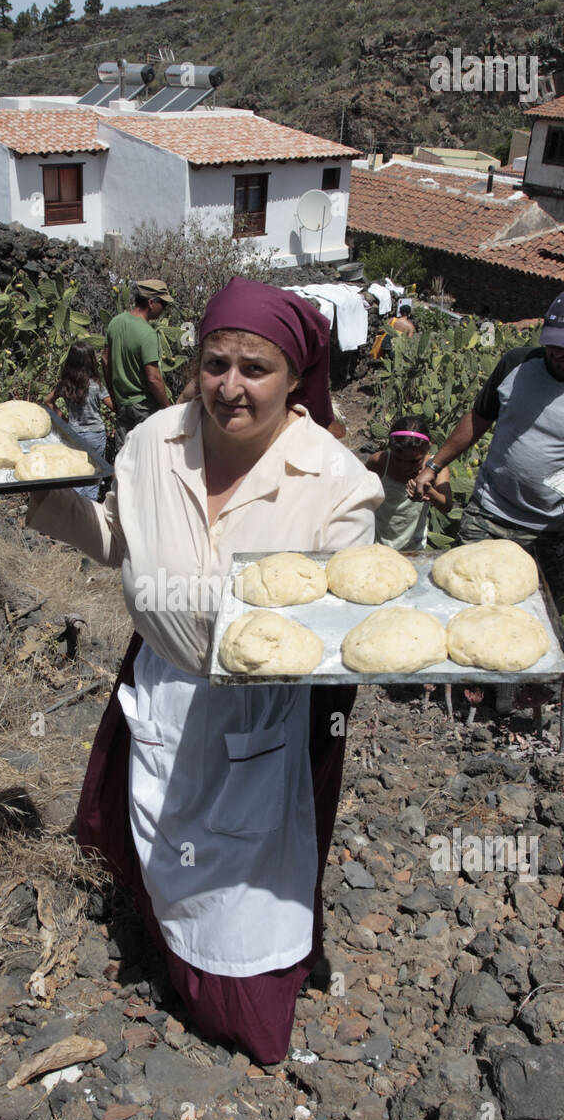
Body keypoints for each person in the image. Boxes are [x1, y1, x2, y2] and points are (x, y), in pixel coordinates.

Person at [25, 276, 383, 1063]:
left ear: (294, 378)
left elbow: (343, 610)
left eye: (255, 369)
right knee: (165, 841)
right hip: (164, 680)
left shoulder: (335, 483)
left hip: (261, 710)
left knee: (246, 875)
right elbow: (121, 540)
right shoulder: (153, 443)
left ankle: (240, 1012)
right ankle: (169, 956)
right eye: (215, 362)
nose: (230, 387)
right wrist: (41, 496)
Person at [412, 288, 564, 606]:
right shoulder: (517, 364)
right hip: (487, 513)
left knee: (536, 615)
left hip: (548, 530)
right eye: (551, 344)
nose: (556, 354)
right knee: (457, 604)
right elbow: (478, 418)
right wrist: (434, 466)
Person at [102, 279, 173, 449]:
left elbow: (105, 360)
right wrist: (168, 410)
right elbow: (153, 378)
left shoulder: (115, 322)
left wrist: (113, 395)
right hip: (144, 407)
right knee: (149, 455)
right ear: (151, 303)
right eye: (163, 304)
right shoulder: (147, 333)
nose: (164, 309)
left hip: (123, 403)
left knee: (124, 456)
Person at [366, 415, 452, 550]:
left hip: (414, 546)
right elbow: (362, 495)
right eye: (398, 459)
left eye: (414, 461)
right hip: (377, 543)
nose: (404, 467)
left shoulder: (435, 468)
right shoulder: (380, 462)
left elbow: (446, 505)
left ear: (428, 449)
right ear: (390, 447)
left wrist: (429, 491)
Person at [43, 342, 113, 500]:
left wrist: (64, 419)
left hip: (74, 435)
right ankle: (88, 512)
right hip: (96, 434)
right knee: (94, 476)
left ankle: (72, 509)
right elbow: (113, 406)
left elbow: (48, 401)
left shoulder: (65, 385)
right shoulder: (95, 385)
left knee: (76, 473)